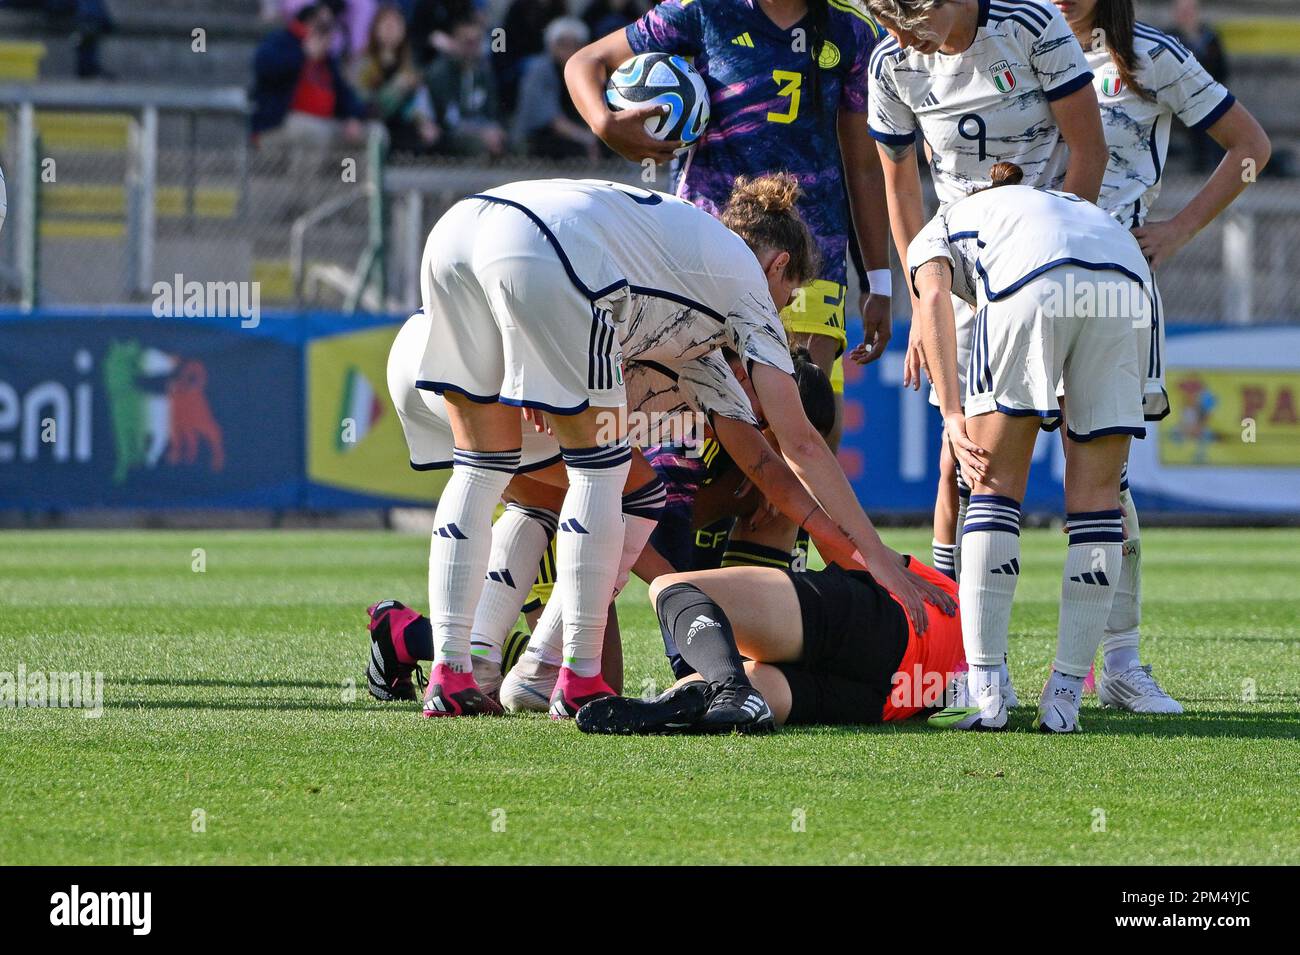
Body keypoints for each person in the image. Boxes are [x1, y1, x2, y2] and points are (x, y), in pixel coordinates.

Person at [415, 173, 951, 720]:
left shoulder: (689, 290)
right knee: (603, 476)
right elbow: (801, 445)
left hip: (458, 232)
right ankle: (574, 677)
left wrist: (851, 549)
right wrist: (877, 557)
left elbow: (763, 462)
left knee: (480, 469)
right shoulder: (746, 284)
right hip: (548, 253)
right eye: (788, 299)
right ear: (779, 267)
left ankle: (451, 672)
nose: (783, 313)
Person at [1052, 0, 1271, 713]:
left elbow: (1251, 150)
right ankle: (967, 668)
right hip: (1018, 282)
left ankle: (1119, 664)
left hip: (1115, 283)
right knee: (973, 470)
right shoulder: (1009, 49)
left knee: (1106, 477)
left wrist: (1177, 230)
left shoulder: (1152, 57)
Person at [566, 0, 897, 464]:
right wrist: (604, 123)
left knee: (804, 426)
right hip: (705, 249)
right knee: (696, 430)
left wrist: (879, 280)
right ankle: (687, 531)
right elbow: (587, 61)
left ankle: (782, 540)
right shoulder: (702, 10)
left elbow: (864, 167)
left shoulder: (852, 29)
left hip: (808, 260)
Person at [862, 0, 1107, 598]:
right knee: (961, 459)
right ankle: (954, 636)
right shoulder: (889, 64)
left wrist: (1056, 261)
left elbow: (1089, 151)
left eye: (907, 21)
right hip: (964, 275)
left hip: (1053, 262)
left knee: (1097, 458)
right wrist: (923, 297)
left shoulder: (1029, 26)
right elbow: (901, 187)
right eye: (885, 22)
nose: (897, 36)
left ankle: (1118, 654)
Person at [909, 163, 1153, 734]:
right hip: (1128, 278)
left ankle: (989, 694)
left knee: (993, 486)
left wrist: (950, 413)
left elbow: (934, 298)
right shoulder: (1064, 204)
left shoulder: (945, 221)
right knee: (1098, 499)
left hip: (1032, 278)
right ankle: (1066, 696)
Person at [577, 554, 963, 733]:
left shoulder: (945, 591)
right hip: (888, 700)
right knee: (752, 685)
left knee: (673, 587)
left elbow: (841, 537)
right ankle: (699, 698)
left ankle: (724, 688)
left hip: (894, 621)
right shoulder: (980, 666)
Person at [251, 2, 367, 147]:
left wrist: (353, 116)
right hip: (276, 125)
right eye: (322, 26)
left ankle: (353, 171)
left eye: (329, 27)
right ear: (308, 23)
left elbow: (344, 93)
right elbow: (265, 68)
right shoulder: (282, 40)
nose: (326, 32)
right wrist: (303, 55)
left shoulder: (327, 58)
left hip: (322, 122)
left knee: (373, 134)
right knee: (315, 133)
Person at [355, 3, 441, 155]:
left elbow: (418, 104)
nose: (391, 28)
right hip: (374, 124)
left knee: (428, 136)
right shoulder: (363, 65)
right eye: (386, 24)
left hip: (402, 126)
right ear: (375, 29)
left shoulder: (409, 66)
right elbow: (368, 108)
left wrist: (424, 121)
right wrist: (396, 89)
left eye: (396, 24)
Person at [514, 17, 603, 160]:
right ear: (551, 45)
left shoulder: (585, 71)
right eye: (562, 44)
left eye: (575, 44)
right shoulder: (541, 70)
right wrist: (587, 138)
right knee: (576, 150)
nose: (569, 50)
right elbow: (553, 121)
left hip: (573, 132)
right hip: (537, 137)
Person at [424, 17, 507, 157]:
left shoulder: (484, 72)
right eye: (467, 42)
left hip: (483, 130)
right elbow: (448, 119)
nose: (472, 48)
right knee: (480, 144)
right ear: (454, 42)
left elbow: (492, 111)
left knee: (507, 139)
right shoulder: (440, 72)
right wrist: (481, 132)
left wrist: (494, 129)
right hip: (449, 134)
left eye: (476, 42)